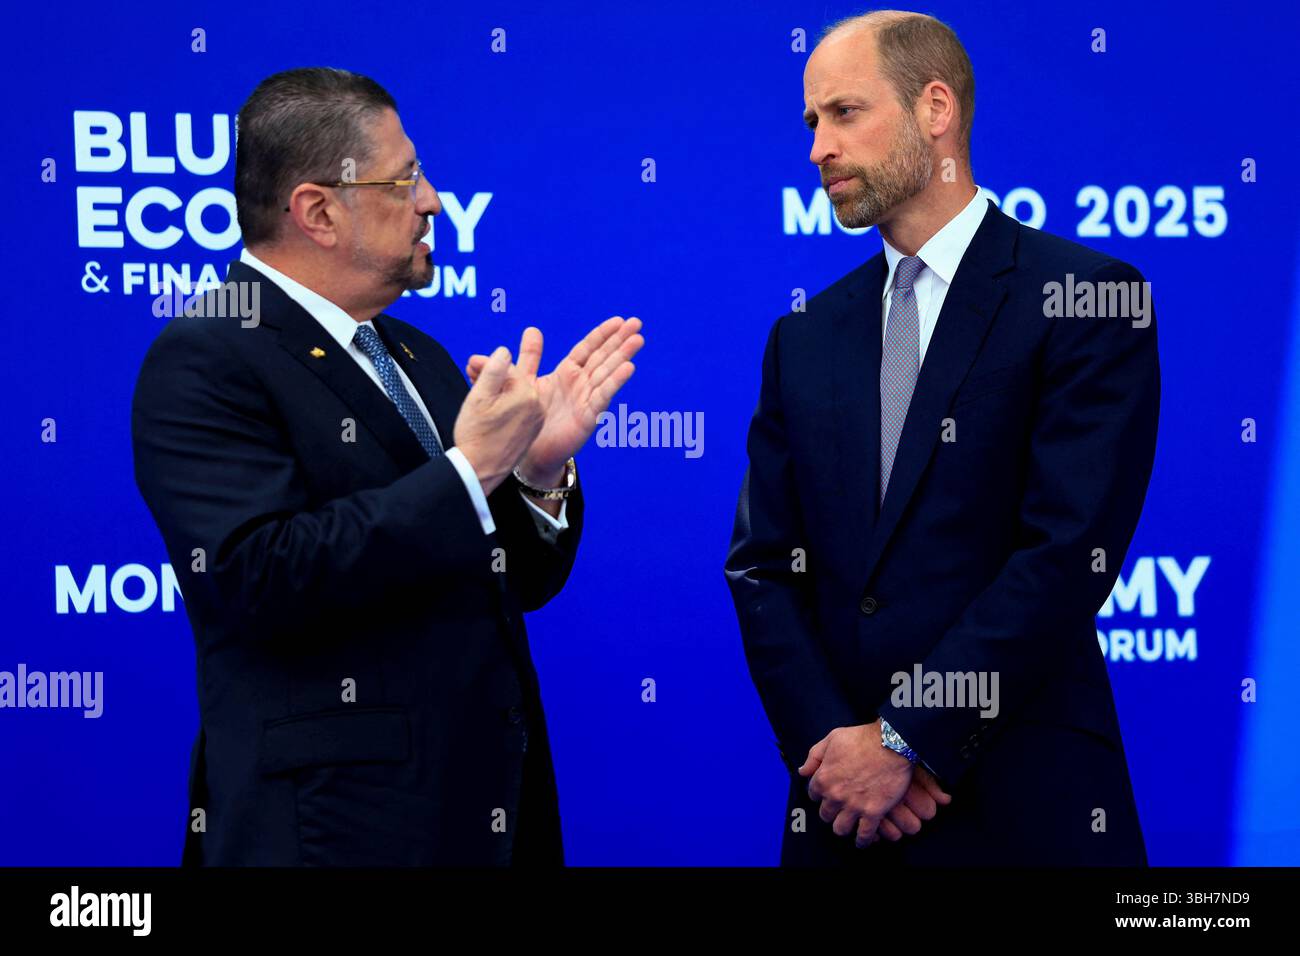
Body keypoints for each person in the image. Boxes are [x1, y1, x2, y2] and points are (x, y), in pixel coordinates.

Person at [131, 67, 642, 866]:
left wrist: (535, 475)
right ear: (318, 211)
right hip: (331, 835)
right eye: (405, 179)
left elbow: (513, 583)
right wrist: (471, 471)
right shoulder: (206, 358)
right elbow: (259, 577)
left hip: (487, 819)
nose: (434, 200)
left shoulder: (418, 355)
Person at [725, 11, 1156, 865]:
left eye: (844, 114)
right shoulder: (805, 336)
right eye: (812, 123)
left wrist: (906, 739)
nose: (818, 149)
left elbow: (1066, 554)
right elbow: (763, 566)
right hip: (844, 818)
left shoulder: (1088, 296)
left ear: (935, 109)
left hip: (1028, 804)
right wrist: (838, 759)